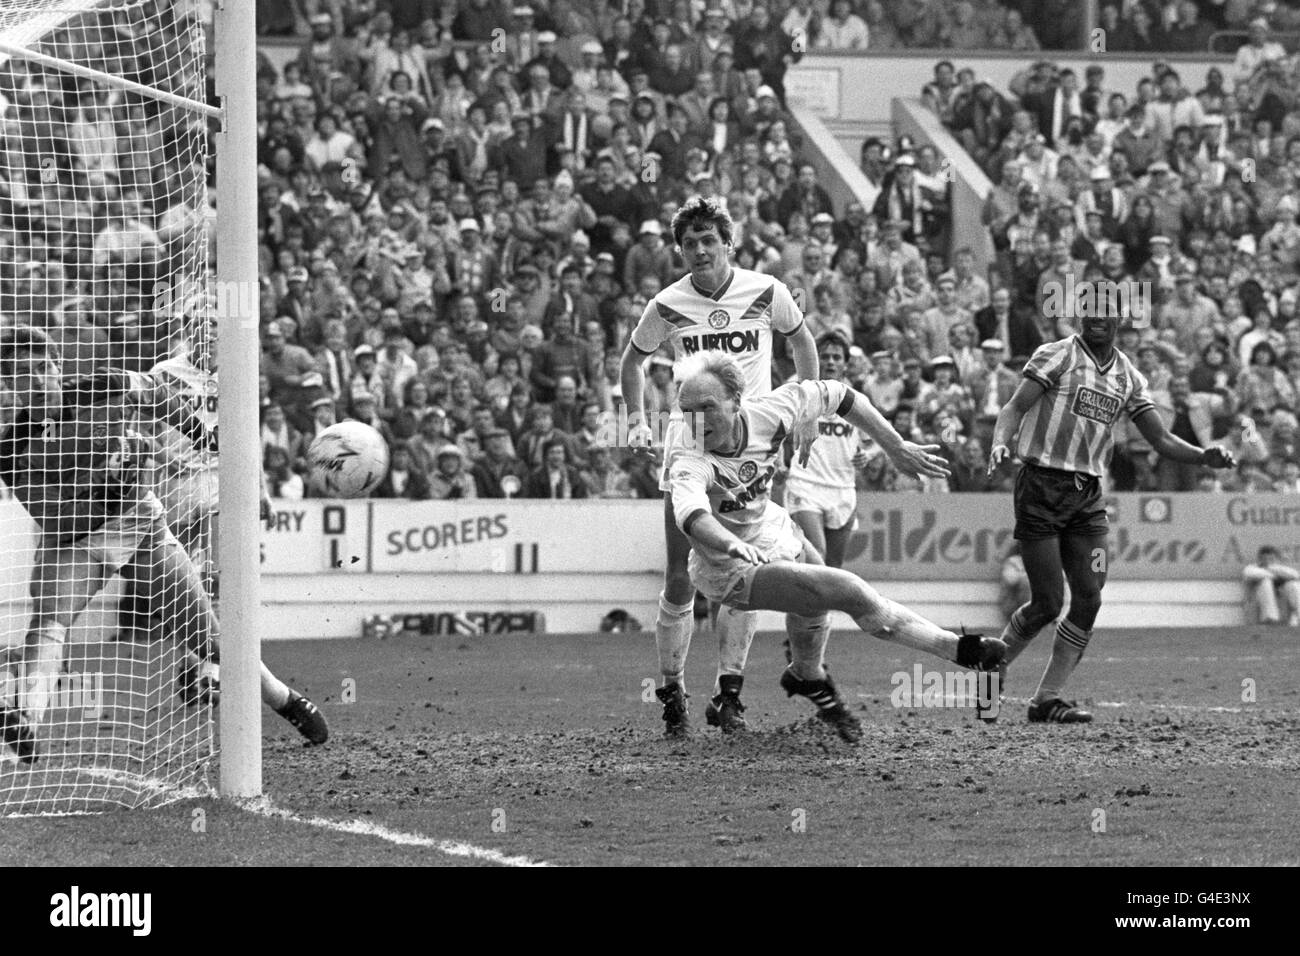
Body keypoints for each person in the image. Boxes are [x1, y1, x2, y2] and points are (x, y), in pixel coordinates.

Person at [669, 351, 1006, 742]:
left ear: (736, 402)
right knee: (845, 588)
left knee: (815, 605)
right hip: (728, 567)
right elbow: (692, 514)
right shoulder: (687, 455)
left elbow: (844, 396)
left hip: (771, 529)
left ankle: (808, 677)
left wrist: (894, 445)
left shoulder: (775, 409)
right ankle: (965, 651)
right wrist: (728, 542)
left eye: (707, 407)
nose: (695, 420)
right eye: (686, 410)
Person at [618, 195, 820, 736]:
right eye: (690, 243)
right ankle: (672, 690)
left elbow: (802, 340)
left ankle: (728, 694)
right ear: (680, 251)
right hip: (690, 446)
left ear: (729, 243)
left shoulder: (767, 291)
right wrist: (637, 419)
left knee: (746, 573)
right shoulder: (667, 303)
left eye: (710, 240)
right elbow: (633, 359)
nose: (700, 250)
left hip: (751, 446)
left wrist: (805, 411)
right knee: (679, 575)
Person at [987, 310, 1237, 724]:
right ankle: (988, 674)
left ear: (1120, 320)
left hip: (1087, 494)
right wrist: (1000, 442)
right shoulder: (1056, 356)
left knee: (1090, 595)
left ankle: (1046, 699)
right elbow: (1014, 407)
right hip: (1041, 486)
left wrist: (1202, 455)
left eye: (1106, 312)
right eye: (1090, 312)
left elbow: (1158, 437)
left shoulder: (1128, 376)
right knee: (1048, 602)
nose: (1097, 319)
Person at [0, 328, 210, 760]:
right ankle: (23, 716)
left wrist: (199, 434)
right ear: (8, 386)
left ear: (59, 365)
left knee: (211, 638)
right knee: (50, 623)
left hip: (138, 525)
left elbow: (156, 396)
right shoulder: (10, 447)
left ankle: (285, 699)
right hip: (76, 540)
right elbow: (54, 516)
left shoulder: (104, 384)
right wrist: (111, 477)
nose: (39, 381)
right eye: (23, 375)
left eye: (43, 367)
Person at [132, 326, 329, 743]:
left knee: (223, 575)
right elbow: (141, 426)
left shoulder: (236, 376)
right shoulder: (166, 372)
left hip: (220, 482)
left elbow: (247, 437)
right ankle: (192, 664)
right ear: (190, 340)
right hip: (175, 485)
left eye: (218, 337)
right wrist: (167, 455)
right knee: (188, 582)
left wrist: (261, 492)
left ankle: (209, 672)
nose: (211, 344)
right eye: (203, 336)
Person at [784, 332, 865, 569]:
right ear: (815, 359)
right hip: (805, 483)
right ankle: (797, 605)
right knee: (816, 555)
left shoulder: (856, 400)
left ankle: (799, 607)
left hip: (843, 488)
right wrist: (778, 462)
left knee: (833, 566)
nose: (830, 361)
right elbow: (776, 430)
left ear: (845, 364)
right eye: (825, 356)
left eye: (837, 357)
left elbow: (871, 442)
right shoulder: (797, 390)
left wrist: (867, 454)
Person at [1242, 547, 1300, 627]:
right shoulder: (1251, 568)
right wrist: (1275, 575)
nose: (1267, 561)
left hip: (1282, 607)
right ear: (1259, 558)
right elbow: (1249, 574)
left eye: (1271, 558)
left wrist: (1273, 569)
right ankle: (1270, 618)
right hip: (1258, 610)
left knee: (1293, 584)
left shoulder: (1280, 569)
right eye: (1264, 558)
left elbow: (1295, 575)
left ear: (1275, 559)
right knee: (1266, 582)